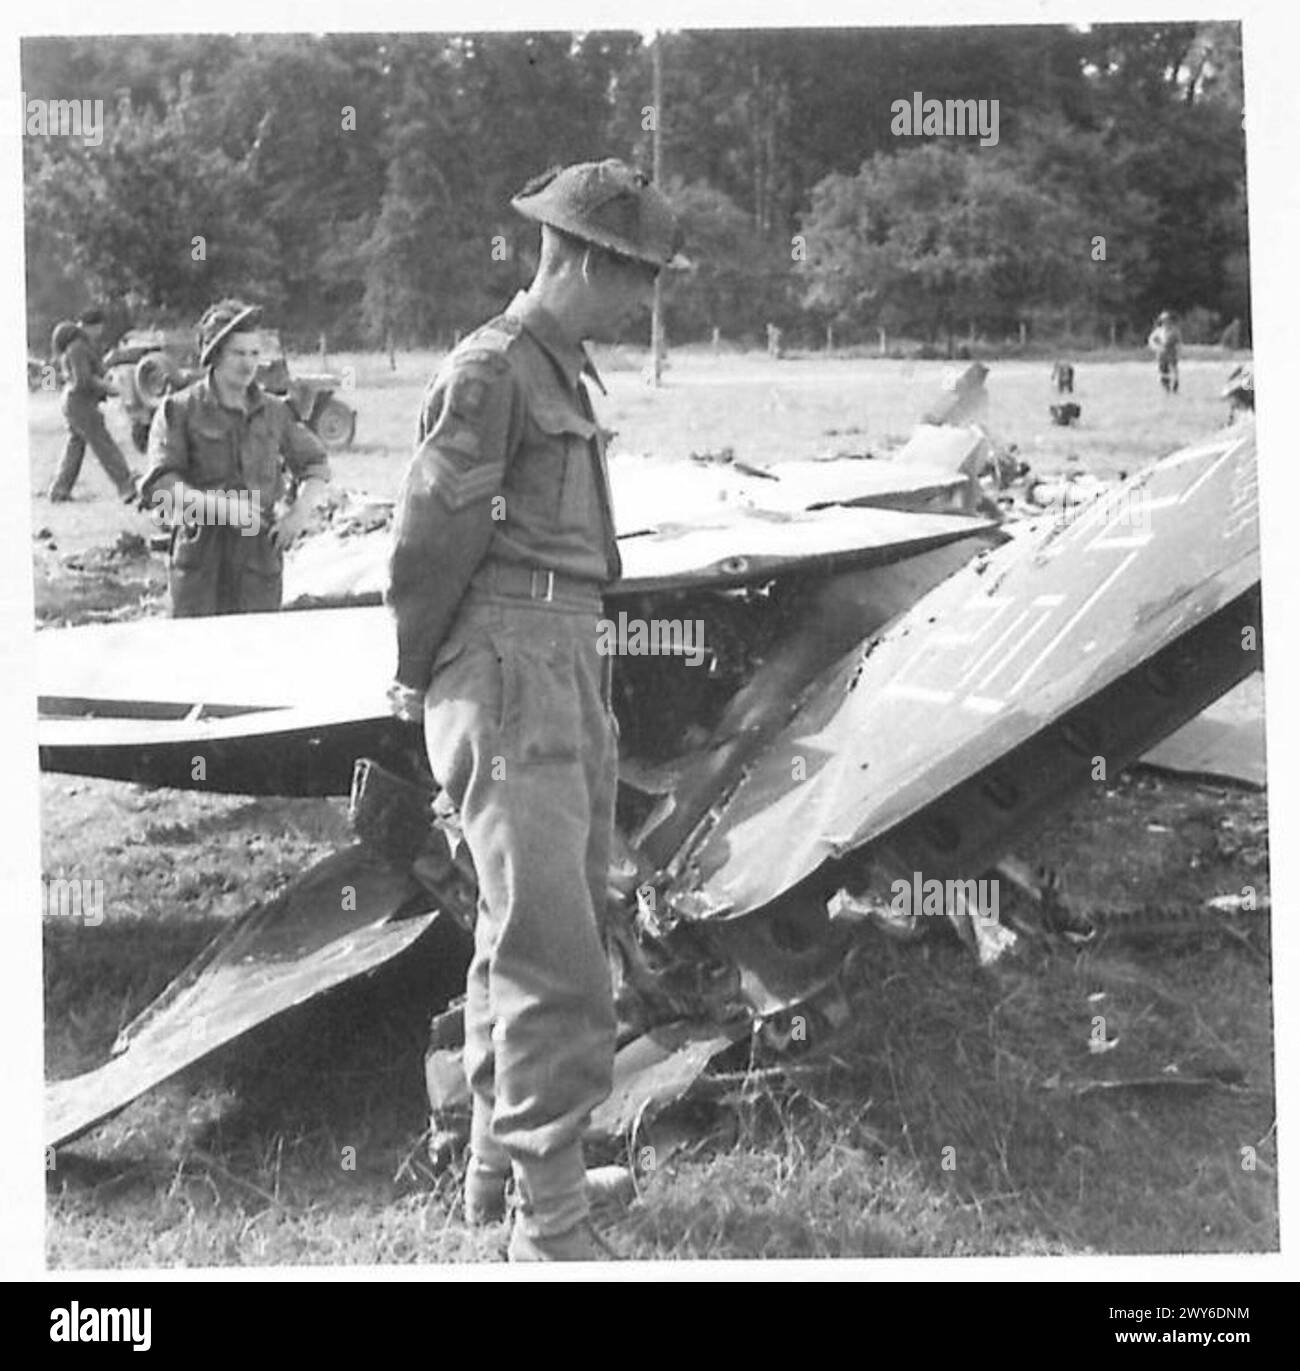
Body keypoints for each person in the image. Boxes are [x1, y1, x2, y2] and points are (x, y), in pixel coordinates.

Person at [386, 159, 685, 1261]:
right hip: (510, 667)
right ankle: (547, 1226)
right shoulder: (494, 371)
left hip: (561, 657)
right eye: (634, 280)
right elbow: (428, 544)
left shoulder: (561, 369)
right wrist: (420, 675)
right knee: (551, 944)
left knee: (522, 930)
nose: (639, 304)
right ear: (579, 259)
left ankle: (491, 1175)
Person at [140, 299, 331, 616]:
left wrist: (298, 515)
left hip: (258, 558)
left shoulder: (274, 411)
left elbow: (316, 464)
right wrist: (224, 509)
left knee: (257, 655)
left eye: (254, 353)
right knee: (197, 655)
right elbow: (160, 488)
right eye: (238, 353)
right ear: (215, 356)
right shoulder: (180, 409)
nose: (248, 364)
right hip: (201, 558)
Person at [46, 307, 139, 503]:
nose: (101, 332)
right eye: (99, 327)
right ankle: (126, 485)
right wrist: (108, 387)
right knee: (103, 444)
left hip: (73, 402)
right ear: (93, 326)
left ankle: (60, 490)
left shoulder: (75, 345)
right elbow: (83, 380)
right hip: (80, 403)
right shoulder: (79, 346)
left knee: (76, 446)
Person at [1148, 309, 1182, 394]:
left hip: (1171, 355)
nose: (1165, 322)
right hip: (1161, 355)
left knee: (1174, 372)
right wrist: (1156, 348)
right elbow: (1151, 341)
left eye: (1167, 320)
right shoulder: (1158, 332)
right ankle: (1166, 389)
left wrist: (1179, 352)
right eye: (1163, 320)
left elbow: (1179, 343)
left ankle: (1174, 388)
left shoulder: (1174, 331)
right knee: (1163, 372)